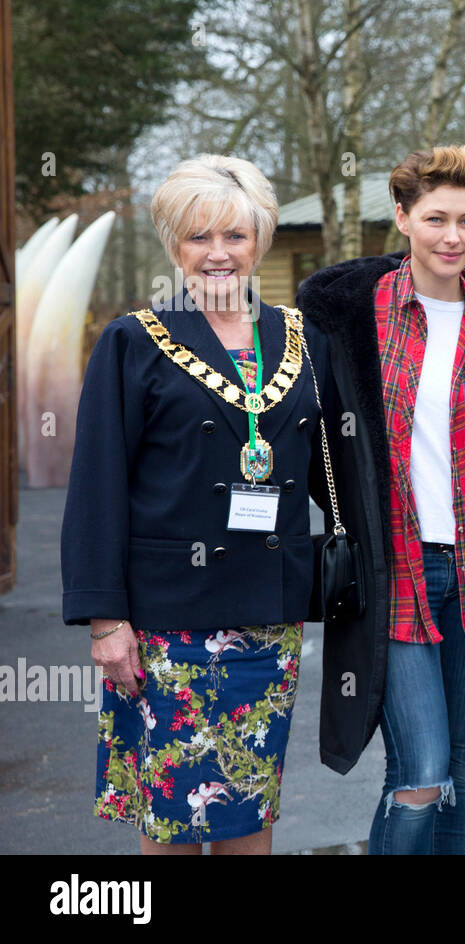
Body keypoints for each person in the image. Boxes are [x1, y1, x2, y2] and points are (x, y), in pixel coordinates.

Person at [63, 155, 331, 854]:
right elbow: (96, 487)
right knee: (175, 820)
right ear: (173, 246)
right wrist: (105, 620)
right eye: (198, 237)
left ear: (261, 239)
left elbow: (335, 467)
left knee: (250, 810)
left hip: (268, 619)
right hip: (165, 621)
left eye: (235, 236)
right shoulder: (133, 341)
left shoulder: (302, 339)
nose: (218, 254)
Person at [296, 145, 465, 854]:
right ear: (402, 217)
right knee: (422, 772)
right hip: (396, 573)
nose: (453, 236)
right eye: (435, 218)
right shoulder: (351, 322)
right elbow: (319, 443)